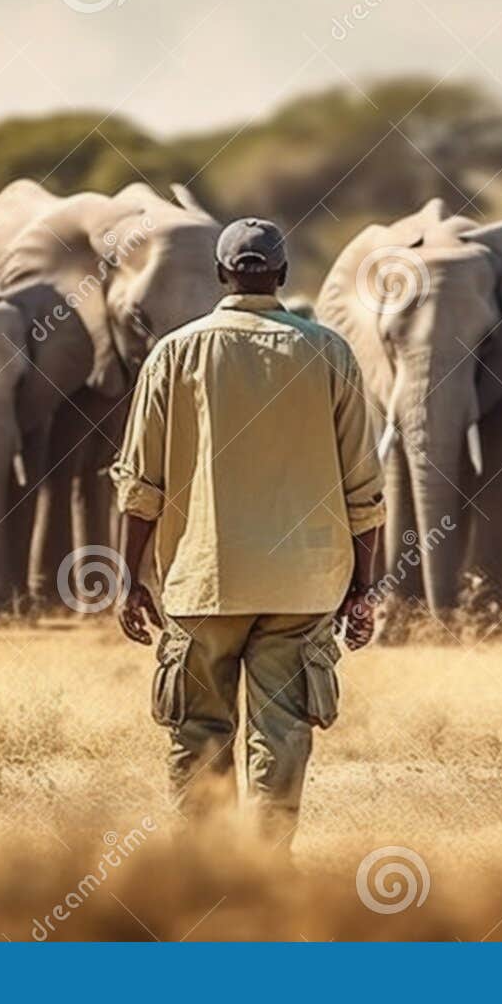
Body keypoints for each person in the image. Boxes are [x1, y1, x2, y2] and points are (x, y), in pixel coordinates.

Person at [111, 216, 385, 844]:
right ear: (283, 277)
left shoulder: (174, 353)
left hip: (202, 581)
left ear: (219, 274)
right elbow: (363, 490)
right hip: (302, 587)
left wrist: (130, 580)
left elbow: (139, 487)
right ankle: (266, 872)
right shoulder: (329, 352)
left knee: (199, 733)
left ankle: (208, 873)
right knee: (282, 732)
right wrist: (364, 588)